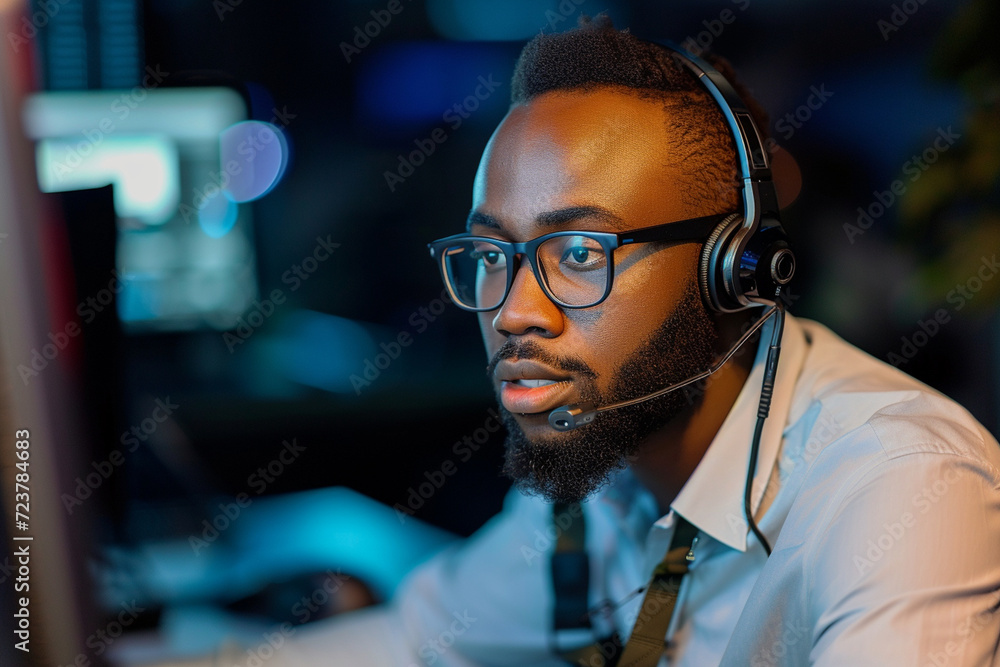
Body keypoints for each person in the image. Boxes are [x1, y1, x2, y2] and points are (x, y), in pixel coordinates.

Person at [158, 15, 1000, 667]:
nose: (516, 312)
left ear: (732, 270)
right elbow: (425, 638)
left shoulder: (899, 489)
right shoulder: (603, 472)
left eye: (579, 253)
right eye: (493, 255)